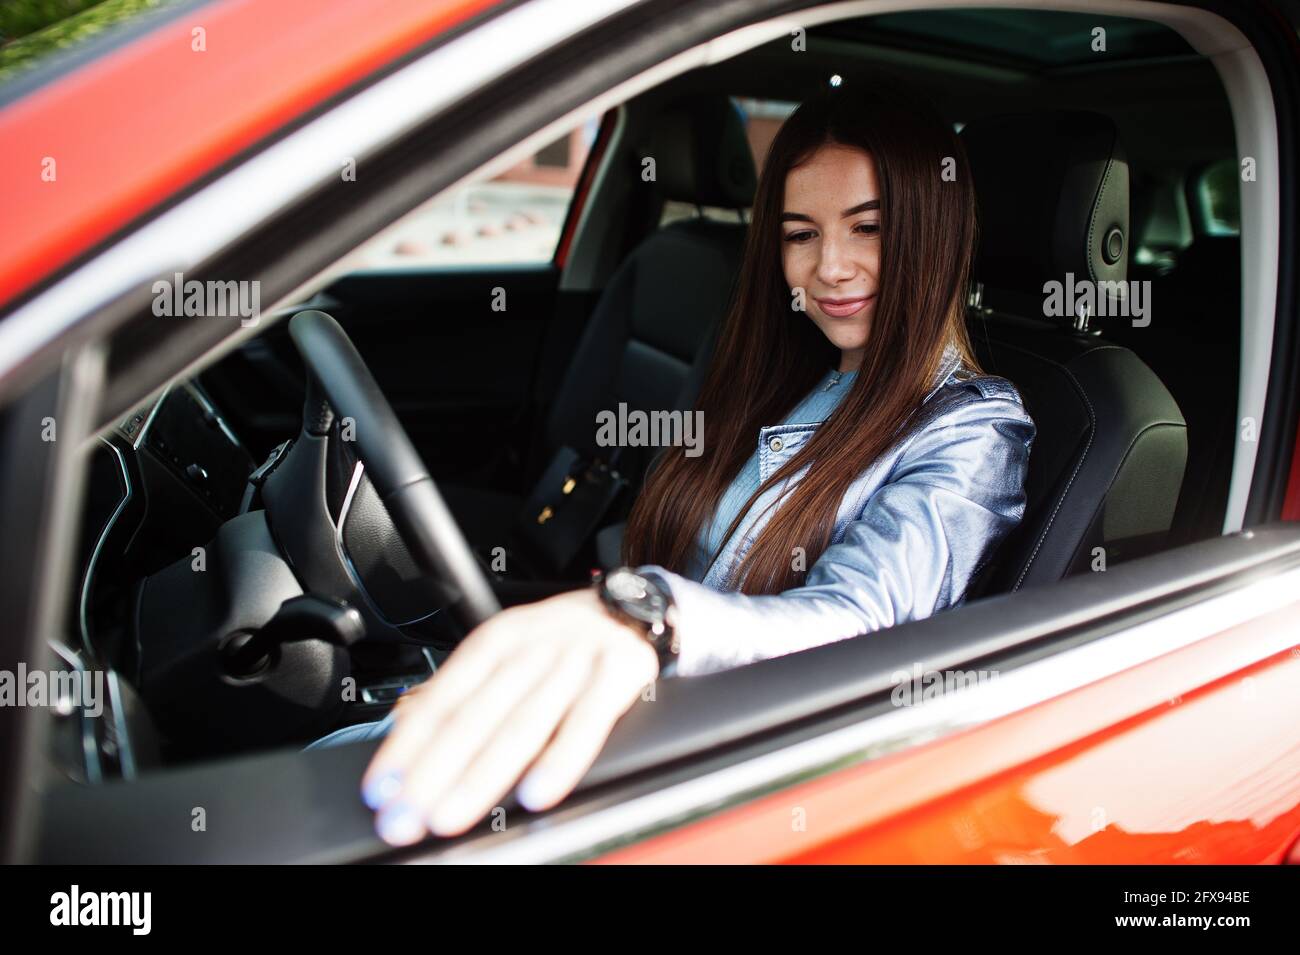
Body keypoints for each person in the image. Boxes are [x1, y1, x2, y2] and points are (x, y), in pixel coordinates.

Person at [347, 77, 1036, 846]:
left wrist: (649, 619)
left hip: (731, 763)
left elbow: (860, 621)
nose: (830, 268)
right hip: (646, 705)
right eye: (800, 234)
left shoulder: (973, 427)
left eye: (868, 228)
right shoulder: (785, 364)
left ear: (933, 229)